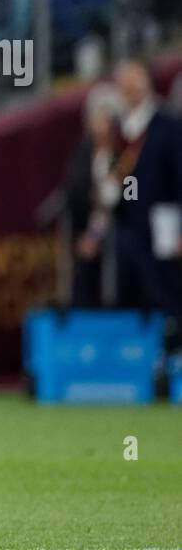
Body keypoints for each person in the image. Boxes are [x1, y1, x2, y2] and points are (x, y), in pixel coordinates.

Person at [111, 59, 182, 346]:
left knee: (168, 290)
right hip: (130, 225)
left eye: (135, 79)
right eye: (124, 81)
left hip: (164, 222)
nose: (129, 87)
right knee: (137, 292)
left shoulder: (167, 126)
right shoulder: (121, 132)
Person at [63, 84, 125, 308]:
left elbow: (118, 203)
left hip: (119, 235)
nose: (102, 126)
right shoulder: (81, 155)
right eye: (97, 119)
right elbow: (75, 194)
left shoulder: (124, 156)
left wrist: (96, 235)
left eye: (107, 119)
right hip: (85, 234)